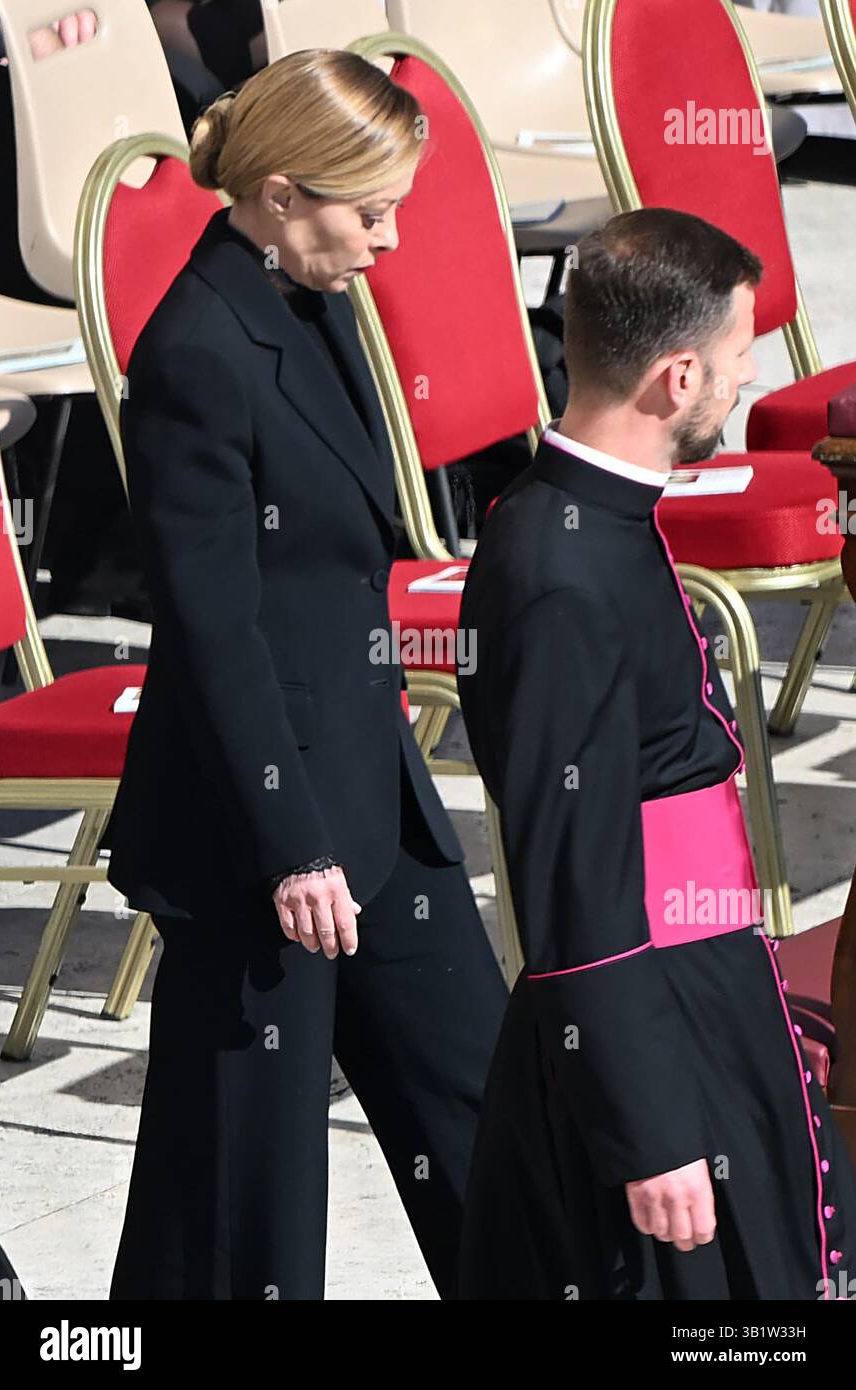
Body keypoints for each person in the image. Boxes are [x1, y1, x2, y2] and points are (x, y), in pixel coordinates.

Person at [105, 49, 507, 1301]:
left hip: (369, 796)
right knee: (239, 1205)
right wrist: (290, 845)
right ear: (280, 193)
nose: (389, 241)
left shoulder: (310, 290)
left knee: (490, 1128)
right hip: (263, 835)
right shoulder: (197, 351)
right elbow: (212, 630)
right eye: (368, 210)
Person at [456, 207, 856, 1300]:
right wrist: (649, 1127)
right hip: (652, 1021)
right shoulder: (558, 572)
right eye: (734, 363)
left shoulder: (590, 526)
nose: (737, 386)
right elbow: (569, 877)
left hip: (700, 980)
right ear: (676, 378)